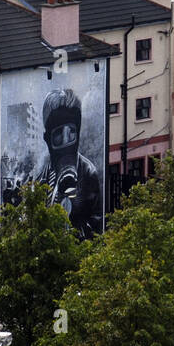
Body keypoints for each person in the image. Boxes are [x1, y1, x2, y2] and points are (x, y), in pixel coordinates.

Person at [37, 88, 103, 236]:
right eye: (59, 133)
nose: (67, 140)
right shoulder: (41, 178)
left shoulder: (87, 173)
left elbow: (96, 221)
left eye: (72, 131)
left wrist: (75, 236)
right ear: (47, 139)